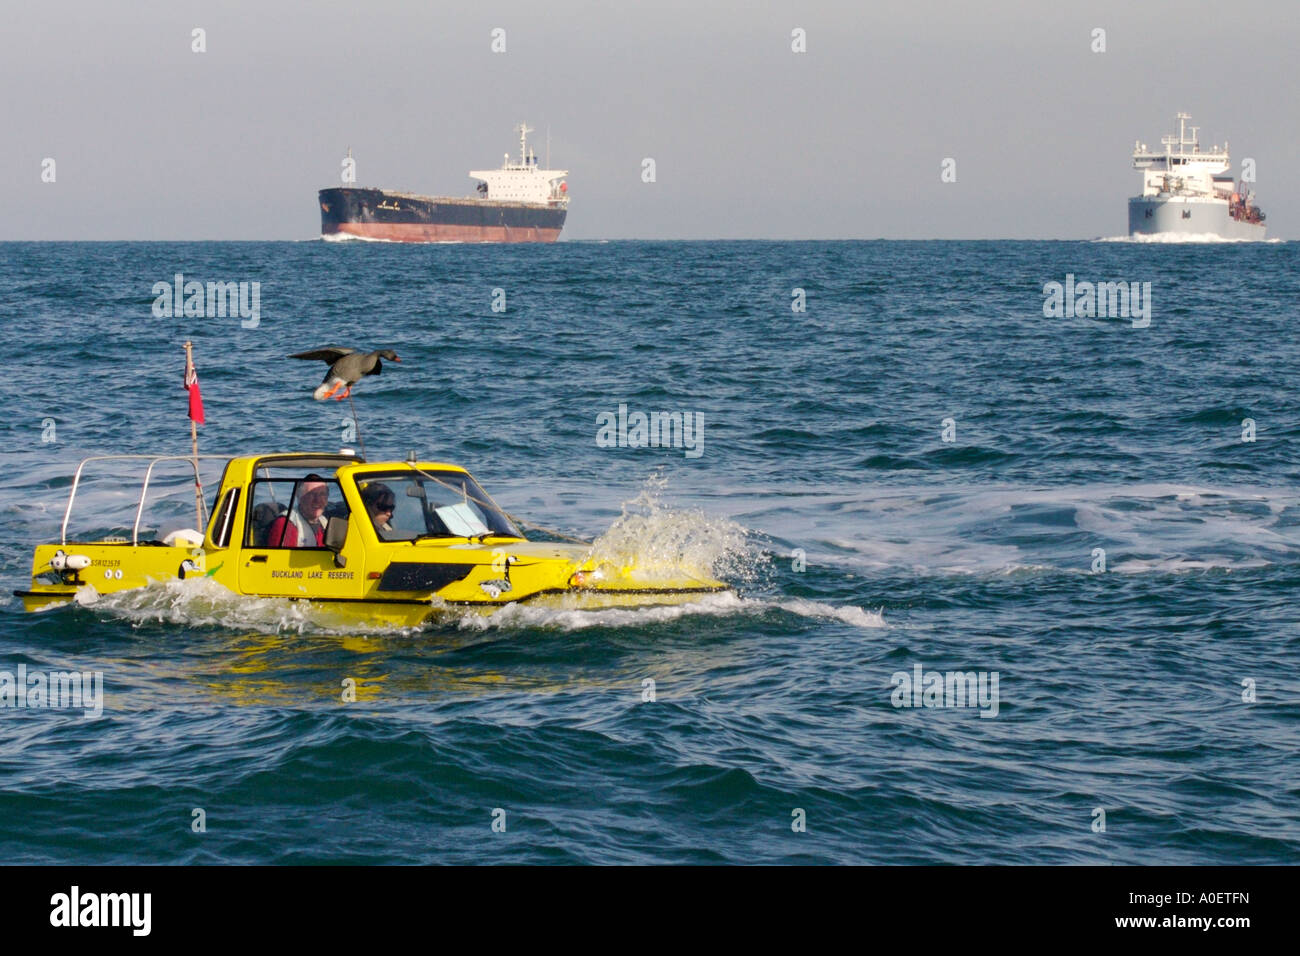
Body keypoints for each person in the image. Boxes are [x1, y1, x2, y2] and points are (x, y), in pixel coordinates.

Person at [268, 475, 331, 547]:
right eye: (311, 494)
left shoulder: (324, 522)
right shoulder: (286, 524)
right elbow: (281, 557)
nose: (317, 500)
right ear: (299, 497)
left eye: (322, 494)